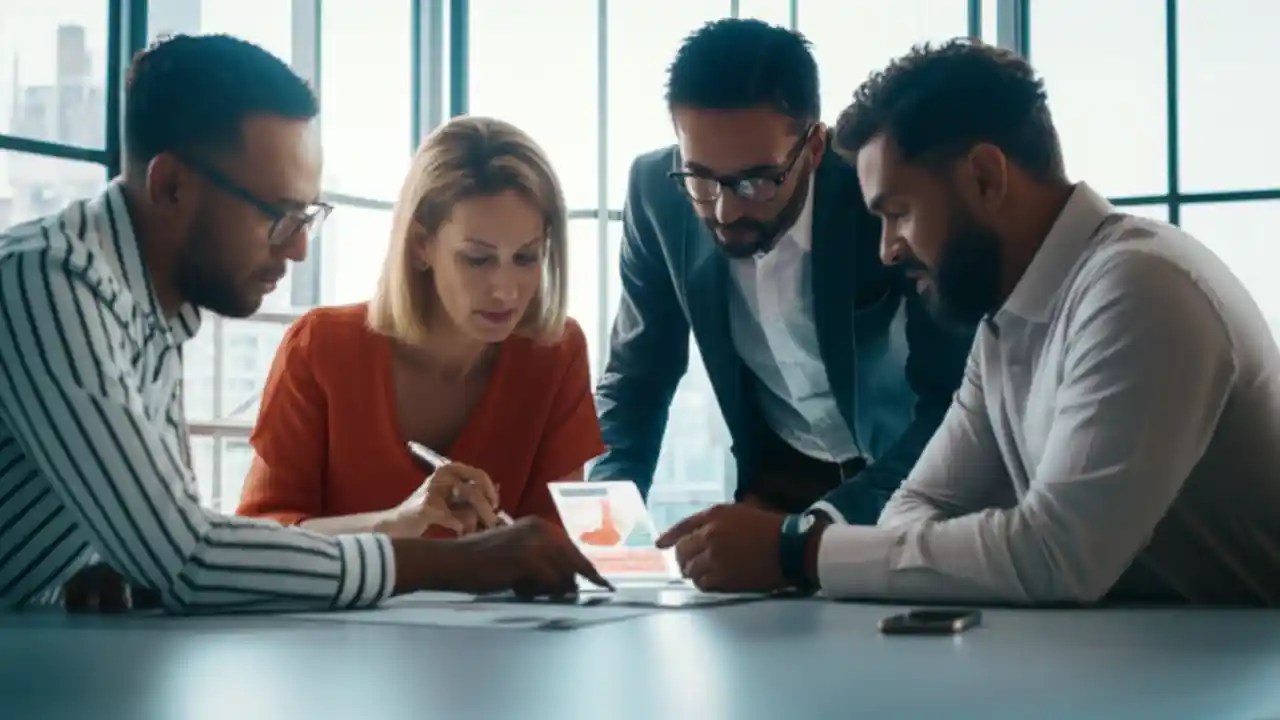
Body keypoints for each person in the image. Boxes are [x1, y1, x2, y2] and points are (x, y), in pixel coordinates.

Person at [0, 34, 607, 612]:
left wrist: (118, 567)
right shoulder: (51, 283)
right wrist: (443, 561)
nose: (297, 251)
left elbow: (154, 544)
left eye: (306, 216)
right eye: (278, 215)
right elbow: (189, 557)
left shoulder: (152, 314)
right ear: (171, 186)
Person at [665, 38, 1280, 605]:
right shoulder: (1006, 322)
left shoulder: (1140, 287)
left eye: (898, 212)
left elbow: (1056, 554)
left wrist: (798, 549)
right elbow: (915, 506)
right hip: (1136, 666)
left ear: (986, 178)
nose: (887, 249)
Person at [594, 19, 973, 590]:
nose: (723, 211)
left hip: (908, 473)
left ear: (814, 147)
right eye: (700, 178)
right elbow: (636, 383)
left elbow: (950, 395)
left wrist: (816, 534)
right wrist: (608, 540)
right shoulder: (655, 194)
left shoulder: (875, 194)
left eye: (756, 182)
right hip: (778, 481)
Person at [235, 115, 605, 539]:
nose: (505, 291)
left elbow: (556, 541)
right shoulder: (320, 348)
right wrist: (392, 525)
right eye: (478, 259)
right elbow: (260, 538)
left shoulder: (556, 352)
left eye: (526, 258)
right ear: (420, 246)